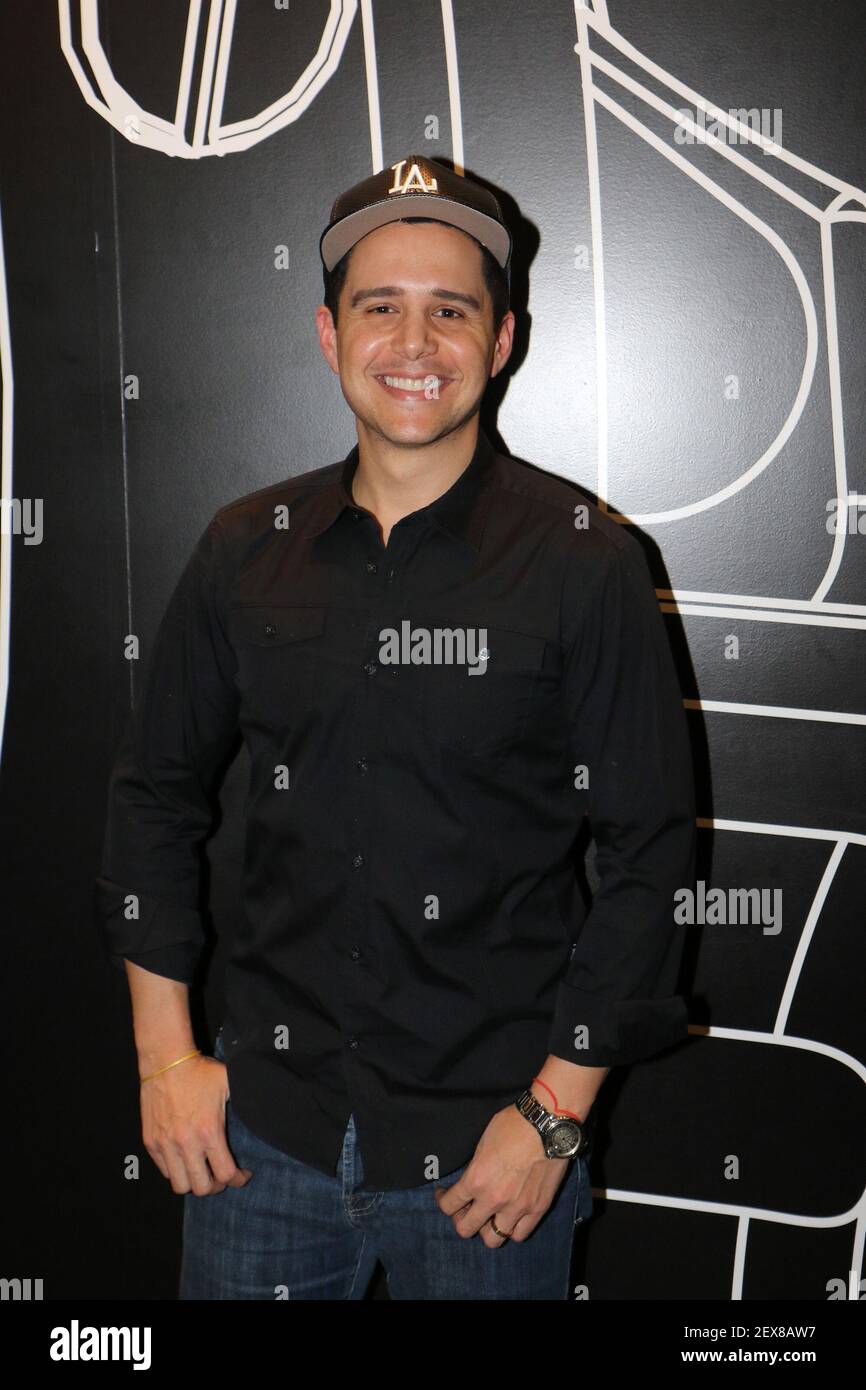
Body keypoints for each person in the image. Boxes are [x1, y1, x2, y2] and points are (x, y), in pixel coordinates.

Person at [95, 153, 696, 1300]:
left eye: (449, 311)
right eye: (380, 308)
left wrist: (555, 1117)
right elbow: (152, 797)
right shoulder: (241, 547)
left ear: (501, 339)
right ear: (328, 335)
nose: (413, 345)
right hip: (260, 1147)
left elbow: (650, 857)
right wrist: (164, 1055)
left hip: (492, 1157)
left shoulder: (586, 563)